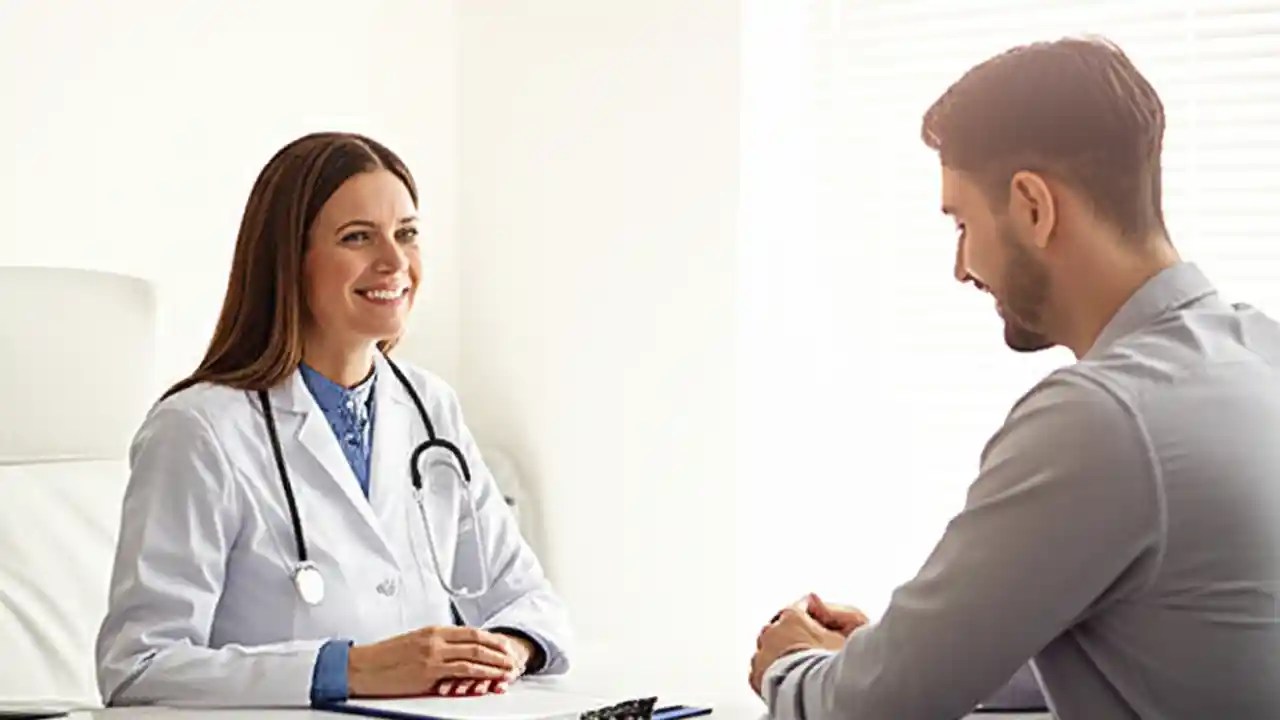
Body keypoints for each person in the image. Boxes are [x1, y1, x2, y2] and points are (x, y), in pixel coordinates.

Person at [749, 37, 1280, 719]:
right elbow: (1156, 636)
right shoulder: (1260, 355)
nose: (962, 267)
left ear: (1033, 206)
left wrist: (791, 666)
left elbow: (871, 711)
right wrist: (908, 648)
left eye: (964, 222)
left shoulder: (1105, 418)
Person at [96, 132, 572, 707]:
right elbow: (140, 666)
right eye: (357, 238)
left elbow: (526, 599)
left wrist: (505, 649)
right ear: (288, 261)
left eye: (407, 234)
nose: (395, 262)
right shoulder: (198, 429)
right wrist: (349, 669)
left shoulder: (429, 405)